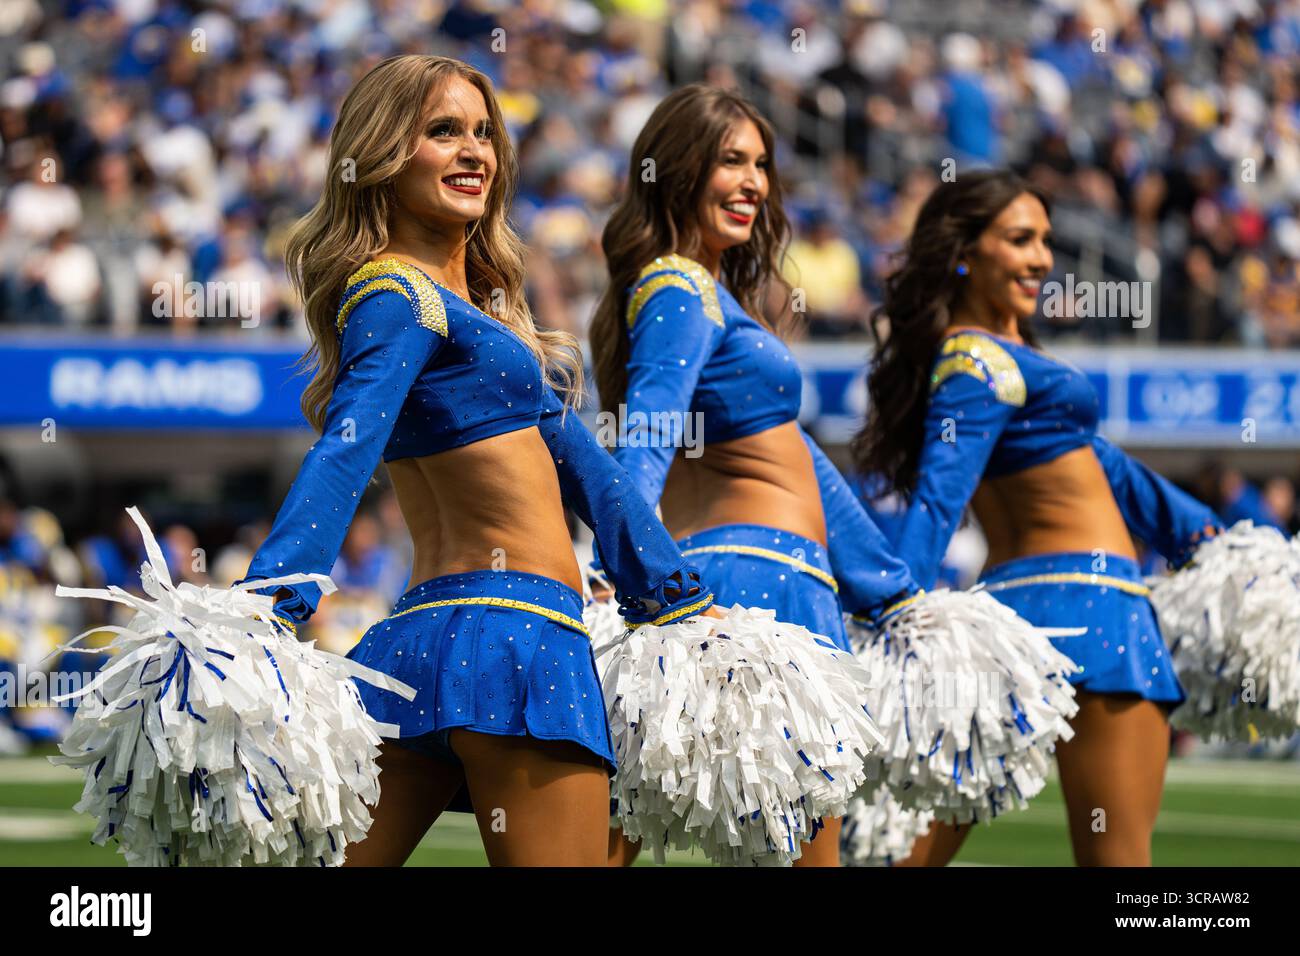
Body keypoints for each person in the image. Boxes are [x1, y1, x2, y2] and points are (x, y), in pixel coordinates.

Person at [236, 55, 718, 867]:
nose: (474, 152)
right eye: (442, 132)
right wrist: (267, 604)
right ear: (384, 156)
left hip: (417, 644)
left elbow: (589, 472)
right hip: (522, 643)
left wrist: (672, 598)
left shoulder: (481, 316)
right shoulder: (398, 293)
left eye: (484, 133)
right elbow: (347, 446)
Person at [588, 84, 920, 867]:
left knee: (622, 835)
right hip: (762, 589)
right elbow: (651, 430)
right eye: (730, 160)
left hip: (763, 580)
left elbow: (800, 461)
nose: (754, 182)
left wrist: (888, 588)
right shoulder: (678, 285)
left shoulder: (702, 291)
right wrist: (621, 562)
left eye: (761, 163)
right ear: (674, 172)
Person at [853, 169, 1223, 866]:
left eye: (1046, 240)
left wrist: (1202, 535)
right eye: (1020, 240)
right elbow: (937, 496)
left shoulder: (1000, 354)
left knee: (916, 854)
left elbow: (1102, 464)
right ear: (964, 252)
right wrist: (895, 610)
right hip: (1102, 611)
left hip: (1013, 623)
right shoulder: (976, 360)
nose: (1042, 258)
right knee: (1119, 866)